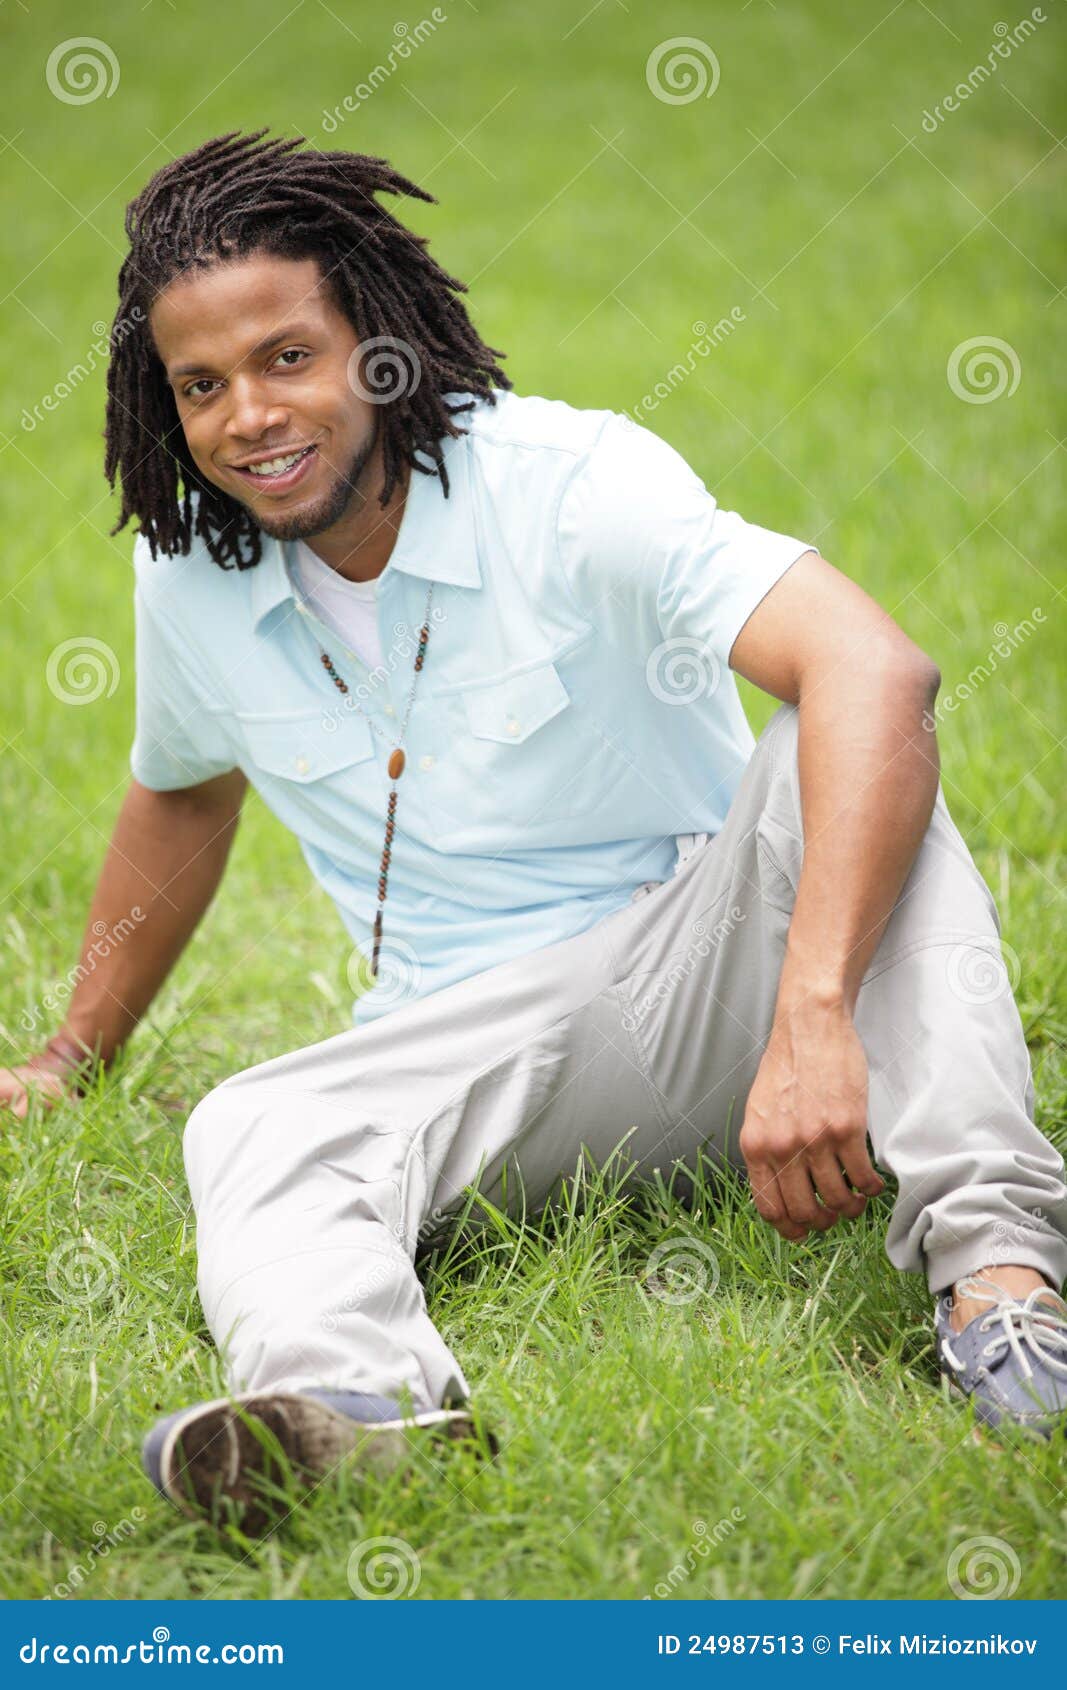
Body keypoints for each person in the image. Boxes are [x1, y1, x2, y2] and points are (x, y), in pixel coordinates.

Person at [7, 128, 1066, 1531]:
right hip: (478, 1056)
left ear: (376, 344)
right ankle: (358, 1405)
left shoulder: (570, 483)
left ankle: (1007, 1298)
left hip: (711, 981)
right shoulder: (189, 569)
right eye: (199, 385)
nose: (248, 414)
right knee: (252, 1121)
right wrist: (74, 1053)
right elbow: (183, 788)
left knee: (843, 736)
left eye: (285, 356)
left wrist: (815, 1005)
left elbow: (878, 668)